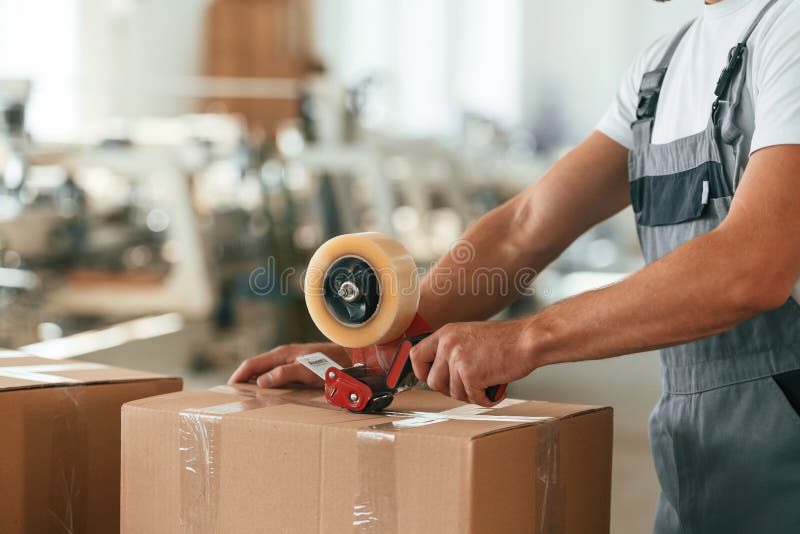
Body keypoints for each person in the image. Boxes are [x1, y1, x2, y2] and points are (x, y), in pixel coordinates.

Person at [230, 0, 800, 531]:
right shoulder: (663, 66)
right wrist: (381, 349)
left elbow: (749, 264)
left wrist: (526, 338)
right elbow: (524, 227)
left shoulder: (788, 32)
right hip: (696, 456)